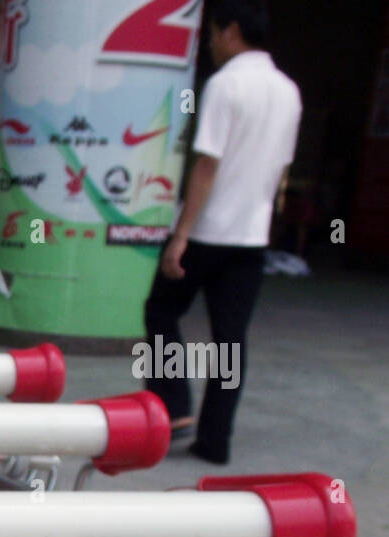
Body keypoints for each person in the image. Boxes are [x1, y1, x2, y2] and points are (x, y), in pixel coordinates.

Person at [142, 0, 300, 465]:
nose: (210, 43)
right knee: (230, 339)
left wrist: (181, 234)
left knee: (159, 312)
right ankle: (215, 442)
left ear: (232, 31)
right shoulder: (289, 91)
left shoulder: (224, 85)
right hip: (251, 238)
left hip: (208, 232)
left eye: (212, 34)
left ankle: (172, 406)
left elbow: (207, 163)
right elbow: (282, 169)